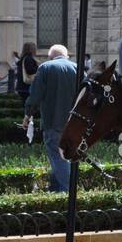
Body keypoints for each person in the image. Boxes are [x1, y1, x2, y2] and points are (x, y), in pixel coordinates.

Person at [22, 45, 80, 193]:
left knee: (58, 156)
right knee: (62, 157)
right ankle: (54, 191)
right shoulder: (77, 68)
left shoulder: (45, 68)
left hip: (53, 121)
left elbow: (35, 95)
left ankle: (66, 193)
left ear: (50, 57)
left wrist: (27, 115)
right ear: (66, 56)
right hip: (75, 124)